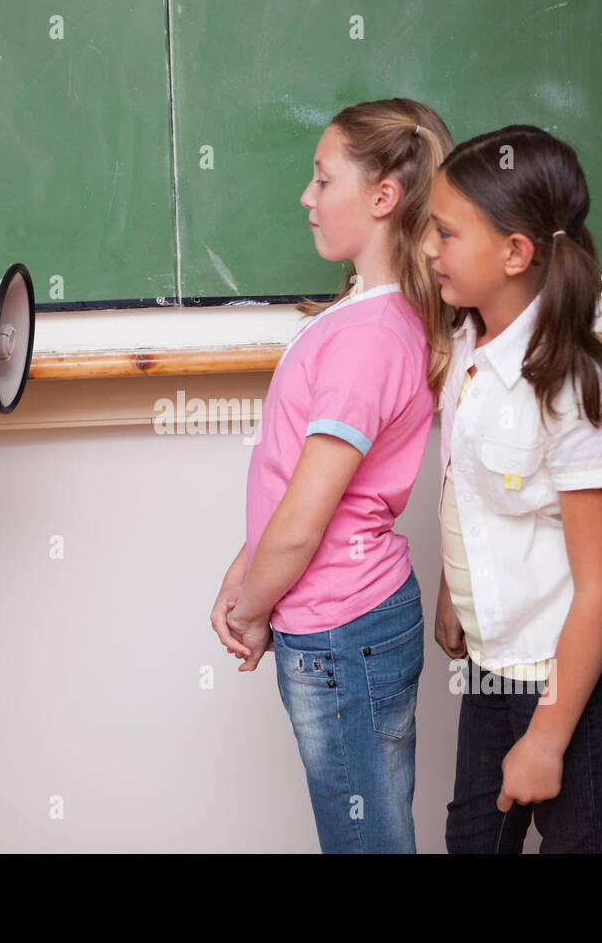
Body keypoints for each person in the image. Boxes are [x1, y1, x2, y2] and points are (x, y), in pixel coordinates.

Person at [210, 99, 452, 852]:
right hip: (342, 623)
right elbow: (303, 487)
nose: (306, 198)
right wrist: (246, 567)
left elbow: (310, 517)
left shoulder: (369, 339)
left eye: (323, 180)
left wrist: (252, 610)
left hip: (342, 633)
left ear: (384, 197)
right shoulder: (367, 316)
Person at [424, 125, 602, 853]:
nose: (428, 248)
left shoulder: (570, 384)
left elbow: (601, 585)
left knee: (579, 842)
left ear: (516, 253)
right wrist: (452, 592)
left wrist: (549, 738)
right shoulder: (468, 339)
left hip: (573, 677)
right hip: (496, 660)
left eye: (445, 233)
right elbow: (468, 483)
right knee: (473, 837)